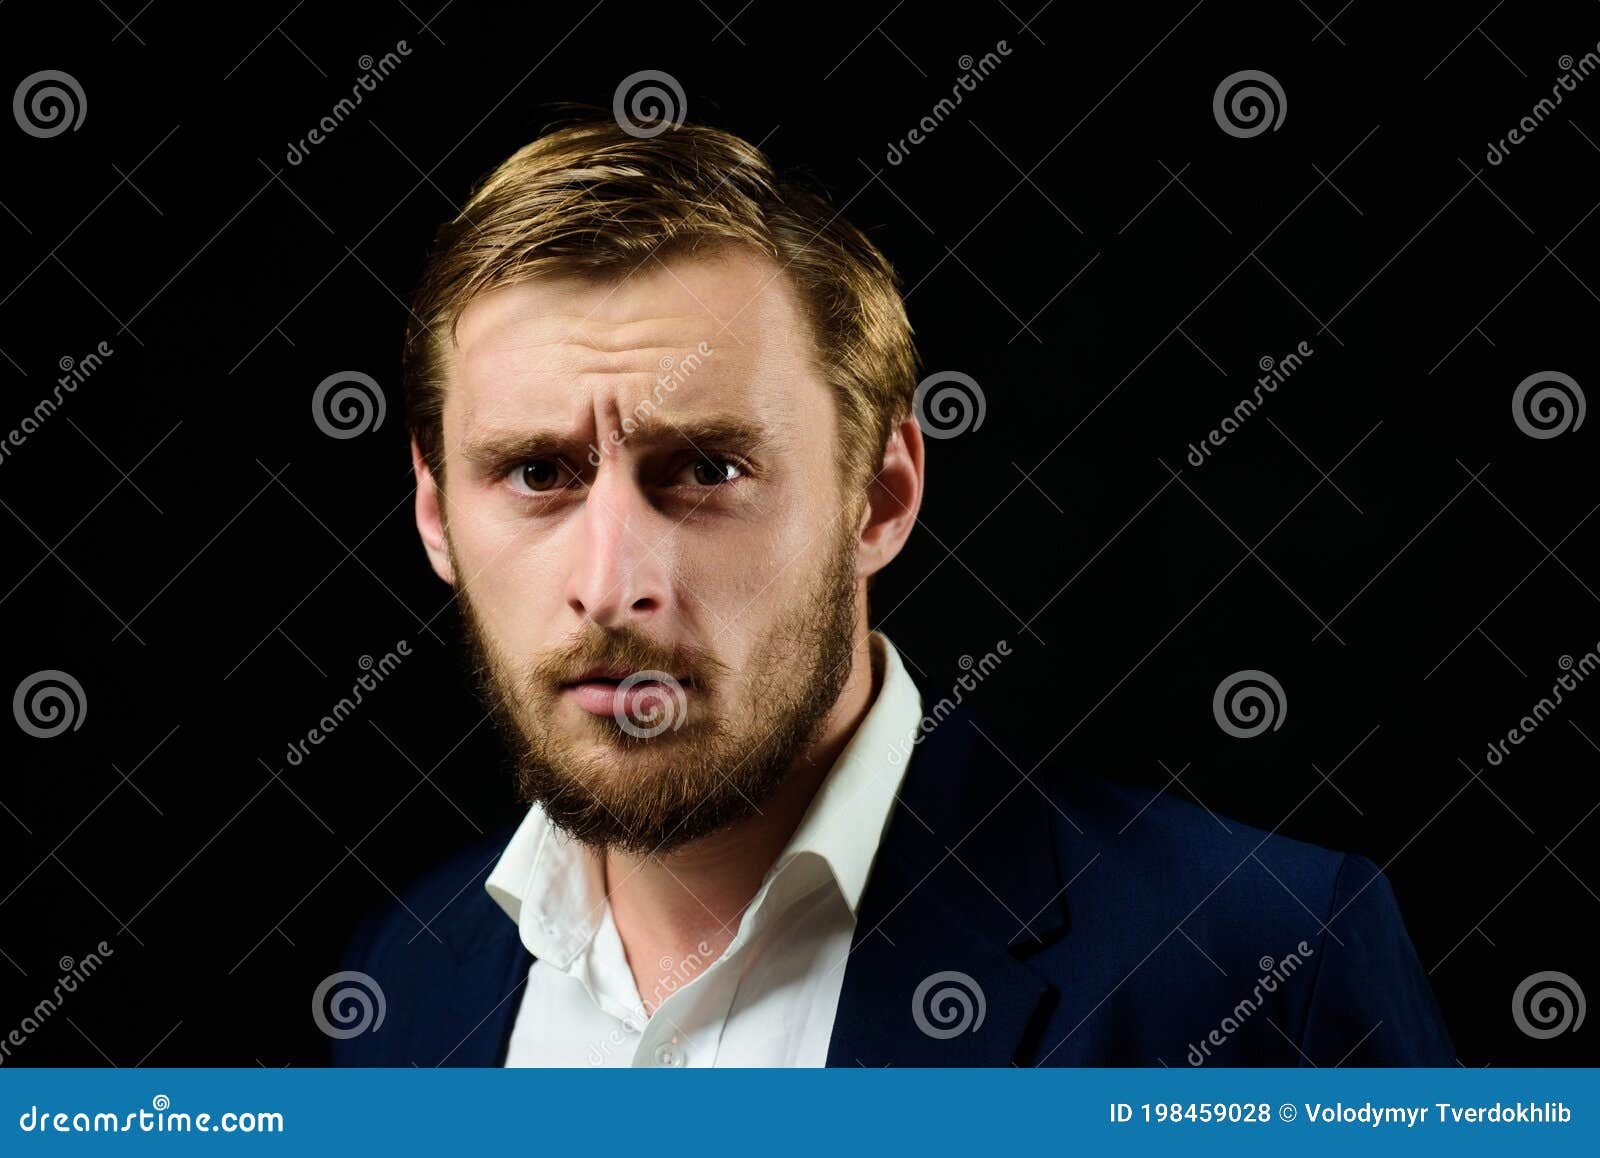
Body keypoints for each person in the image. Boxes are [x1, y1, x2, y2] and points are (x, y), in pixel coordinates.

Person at [331, 114, 1453, 1067]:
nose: (611, 584)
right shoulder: (404, 983)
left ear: (880, 497)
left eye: (708, 470)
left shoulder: (1258, 963)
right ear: (436, 514)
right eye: (536, 474)